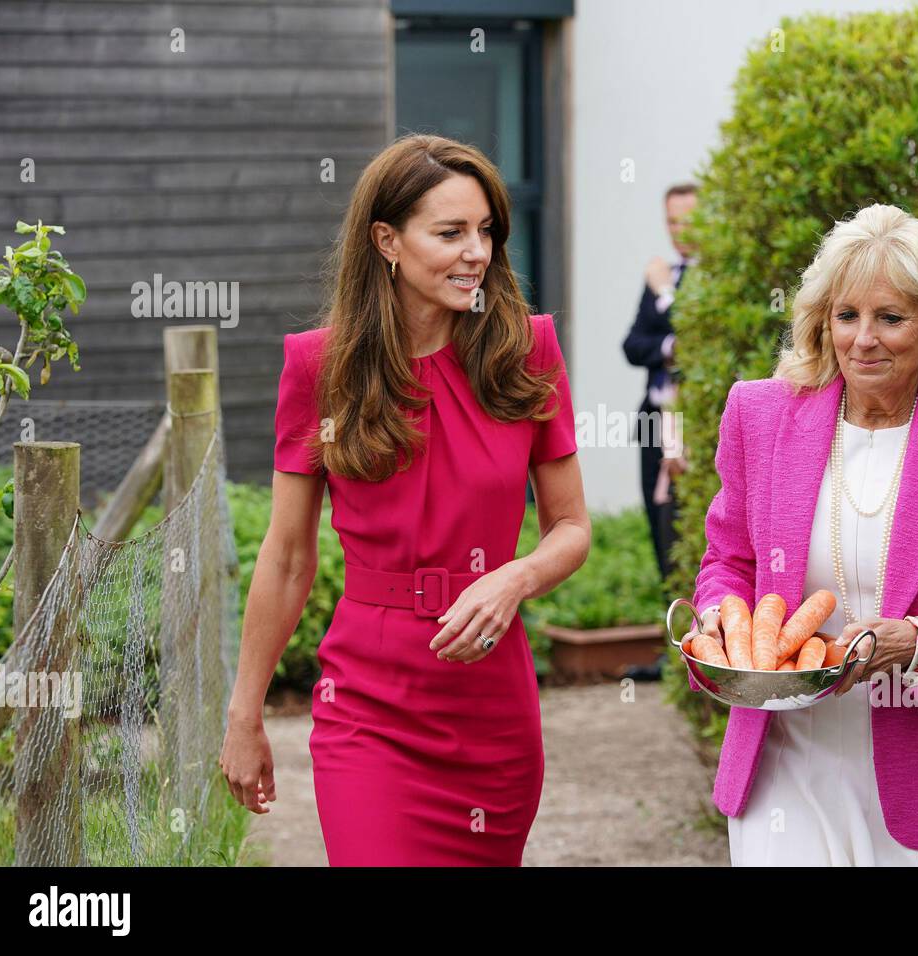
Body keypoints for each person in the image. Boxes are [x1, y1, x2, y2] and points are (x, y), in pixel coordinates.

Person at [218, 134, 591, 866]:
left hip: (491, 702)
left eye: (485, 231)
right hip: (368, 705)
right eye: (450, 233)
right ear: (386, 240)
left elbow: (571, 527)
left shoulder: (528, 350)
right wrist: (244, 711)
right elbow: (289, 556)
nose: (475, 252)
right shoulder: (318, 368)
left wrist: (514, 578)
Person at [685, 203, 918, 865]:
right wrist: (720, 616)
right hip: (785, 765)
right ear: (822, 319)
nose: (864, 339)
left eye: (891, 318)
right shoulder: (760, 414)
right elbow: (729, 559)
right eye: (847, 316)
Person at [622, 182, 698, 583]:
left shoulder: (713, 279)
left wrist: (665, 293)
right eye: (672, 221)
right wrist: (669, 345)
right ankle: (672, 615)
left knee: (690, 525)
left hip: (699, 423)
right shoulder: (663, 274)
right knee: (658, 526)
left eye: (688, 220)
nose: (679, 230)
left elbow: (700, 334)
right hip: (655, 417)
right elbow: (633, 345)